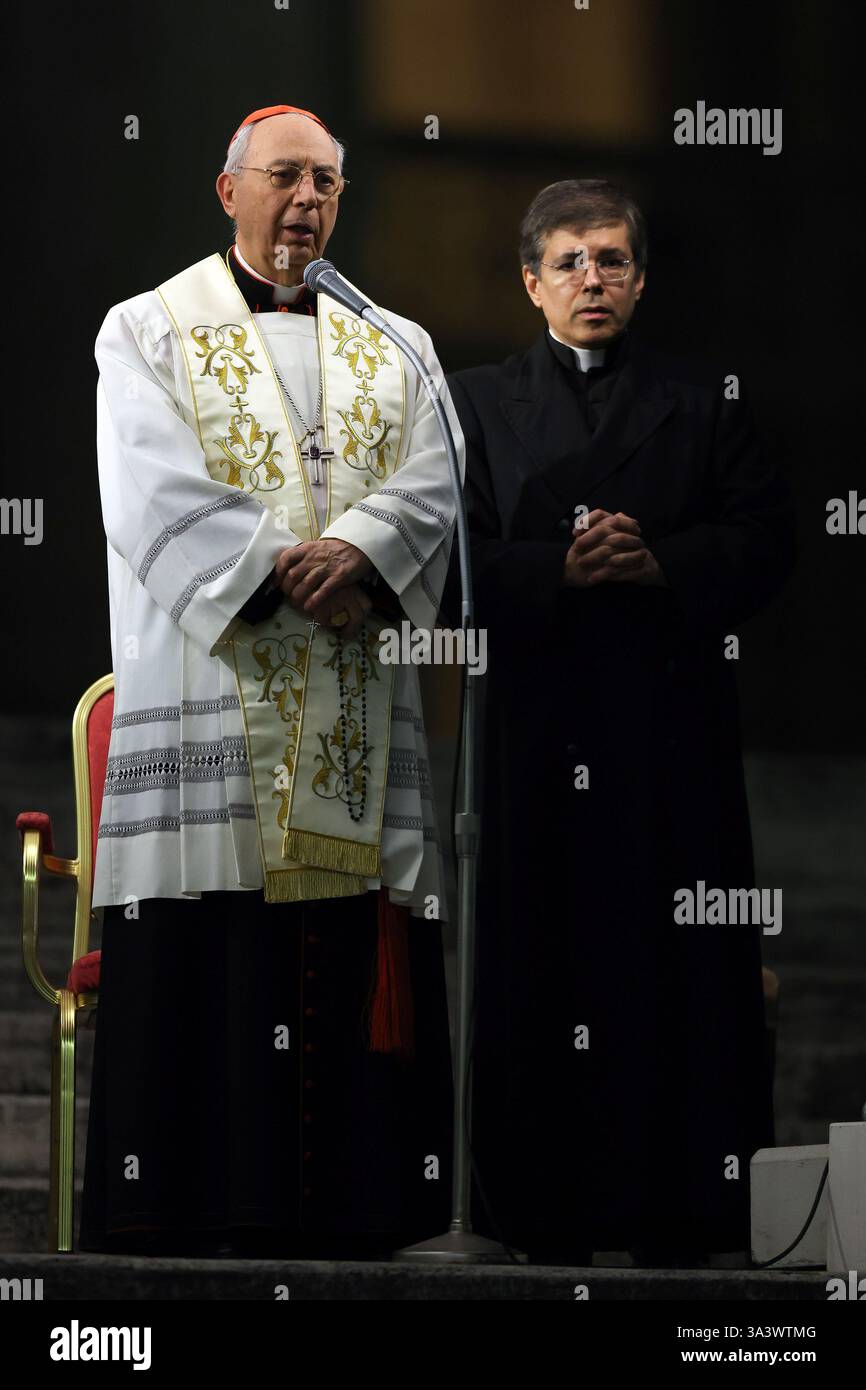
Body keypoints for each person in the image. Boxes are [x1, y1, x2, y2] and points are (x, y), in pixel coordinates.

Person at [79, 104, 464, 1258]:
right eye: (287, 177)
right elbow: (145, 485)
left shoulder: (395, 340)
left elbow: (436, 474)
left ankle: (356, 1213)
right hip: (212, 685)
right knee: (215, 943)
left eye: (329, 183)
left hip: (350, 682)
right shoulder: (147, 329)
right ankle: (184, 1208)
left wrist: (364, 551)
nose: (308, 200)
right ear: (227, 190)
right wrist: (276, 572)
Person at [442, 178, 796, 1266]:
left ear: (640, 281)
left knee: (669, 969)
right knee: (540, 960)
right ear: (528, 282)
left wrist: (661, 561)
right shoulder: (470, 402)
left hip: (665, 737)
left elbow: (765, 541)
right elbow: (444, 563)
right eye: (567, 261)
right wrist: (557, 567)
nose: (589, 278)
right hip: (535, 735)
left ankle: (678, 1209)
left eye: (609, 260)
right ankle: (538, 1211)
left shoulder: (705, 402)